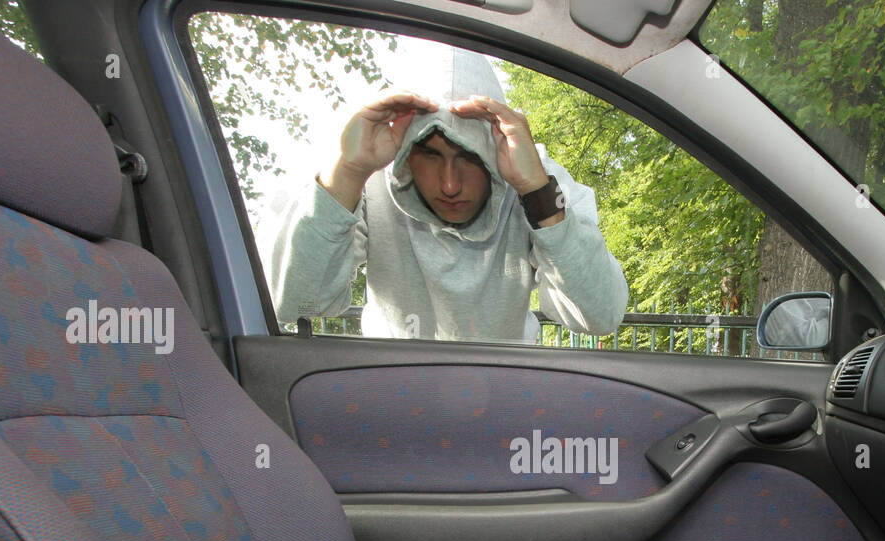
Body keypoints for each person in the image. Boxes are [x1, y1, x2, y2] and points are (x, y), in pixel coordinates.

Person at [259, 49, 628, 343]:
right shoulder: (365, 175)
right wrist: (348, 172)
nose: (450, 184)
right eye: (430, 154)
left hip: (504, 398)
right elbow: (294, 302)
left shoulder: (535, 179)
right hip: (393, 397)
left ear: (493, 145)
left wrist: (538, 195)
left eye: (469, 157)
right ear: (405, 151)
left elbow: (599, 316)